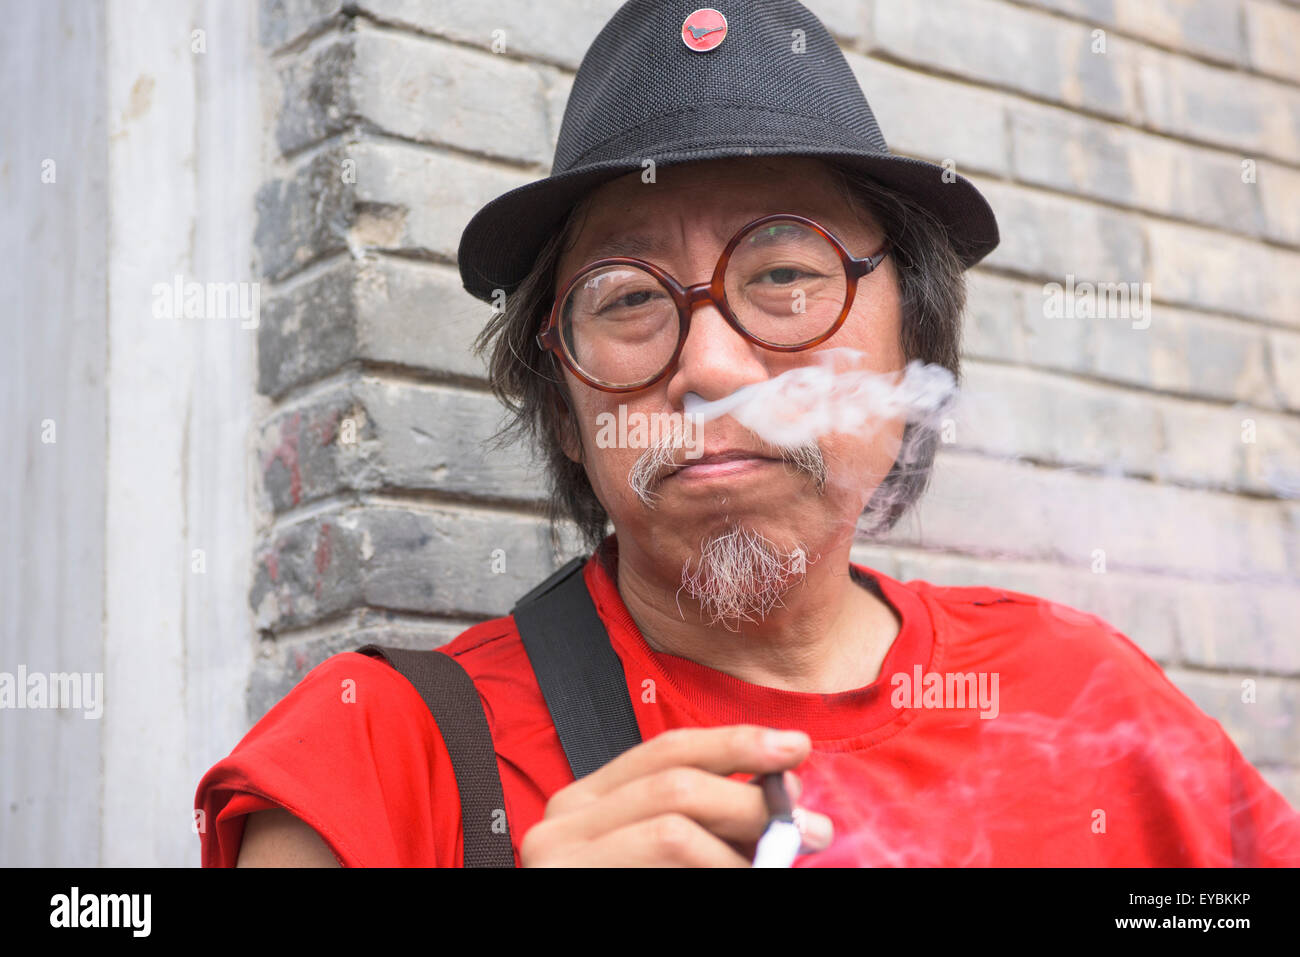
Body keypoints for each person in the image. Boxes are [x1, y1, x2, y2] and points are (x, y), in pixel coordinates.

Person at [196, 0, 1300, 867]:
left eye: (782, 273)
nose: (711, 368)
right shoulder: (381, 762)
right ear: (567, 413)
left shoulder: (1084, 696)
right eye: (626, 299)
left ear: (911, 349)